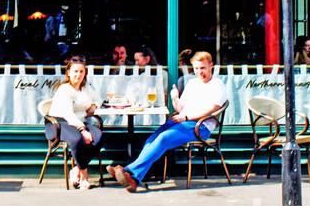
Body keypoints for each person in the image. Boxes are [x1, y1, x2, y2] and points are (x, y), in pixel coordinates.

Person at [111, 51, 227, 193]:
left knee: (163, 138)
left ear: (211, 66)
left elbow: (211, 109)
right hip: (182, 122)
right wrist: (175, 98)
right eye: (196, 68)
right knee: (151, 139)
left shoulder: (217, 84)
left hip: (200, 126)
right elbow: (180, 108)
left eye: (202, 68)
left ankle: (129, 172)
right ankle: (133, 178)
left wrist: (185, 117)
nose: (199, 72)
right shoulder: (192, 83)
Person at [48, 56, 103, 189]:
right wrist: (83, 130)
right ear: (68, 73)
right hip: (59, 124)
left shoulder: (85, 87)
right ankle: (84, 175)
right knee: (78, 140)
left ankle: (76, 170)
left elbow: (99, 99)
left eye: (81, 71)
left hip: (79, 122)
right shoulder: (64, 89)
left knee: (99, 137)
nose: (78, 74)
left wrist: (94, 106)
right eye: (75, 71)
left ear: (85, 73)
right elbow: (68, 114)